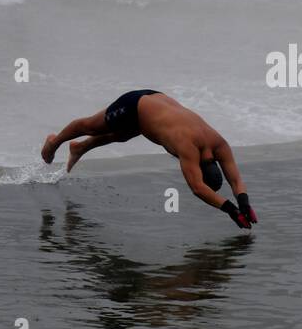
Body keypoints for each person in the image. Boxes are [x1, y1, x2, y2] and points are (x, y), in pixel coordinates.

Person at [41, 89, 258, 228]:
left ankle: (80, 147)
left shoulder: (219, 144)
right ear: (201, 168)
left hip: (157, 99)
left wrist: (244, 204)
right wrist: (231, 210)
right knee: (91, 125)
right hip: (136, 104)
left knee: (122, 135)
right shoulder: (188, 147)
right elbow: (198, 188)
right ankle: (55, 141)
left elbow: (236, 180)